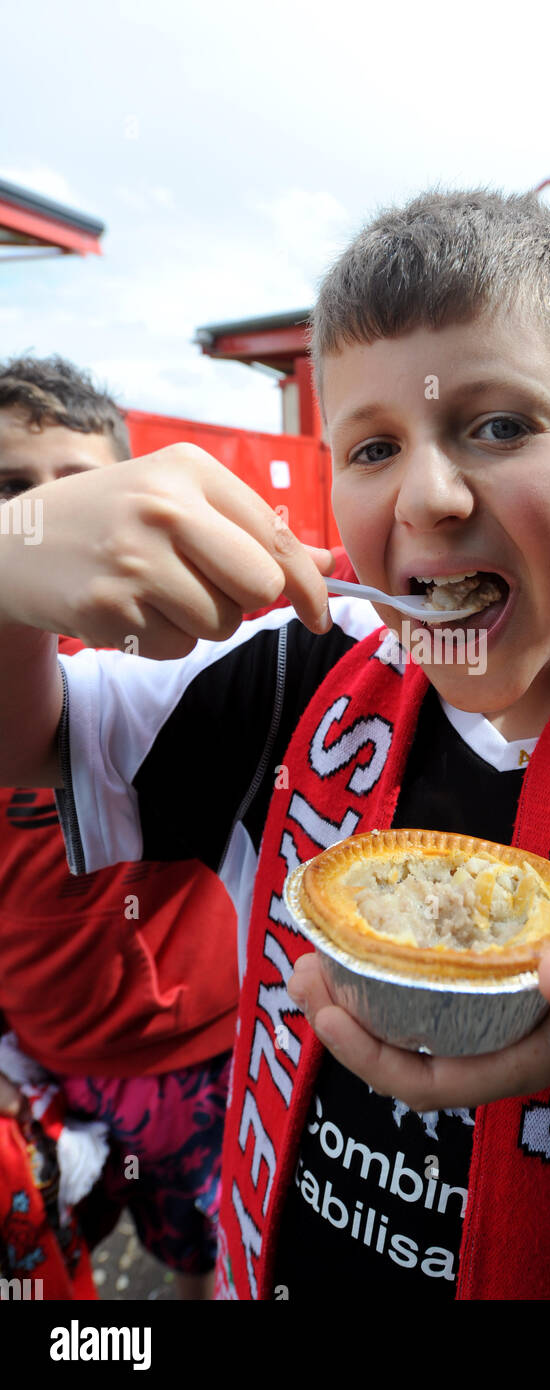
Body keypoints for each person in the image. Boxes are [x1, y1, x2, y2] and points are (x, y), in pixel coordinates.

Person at [0, 192, 550, 1302]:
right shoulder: (282, 673)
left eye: (498, 425)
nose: (431, 496)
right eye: (371, 447)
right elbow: (32, 738)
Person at [0, 356, 240, 1300]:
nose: (47, 519)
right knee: (49, 1273)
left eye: (78, 490)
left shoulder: (182, 665)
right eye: (12, 490)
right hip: (39, 1062)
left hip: (195, 1057)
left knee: (201, 1259)